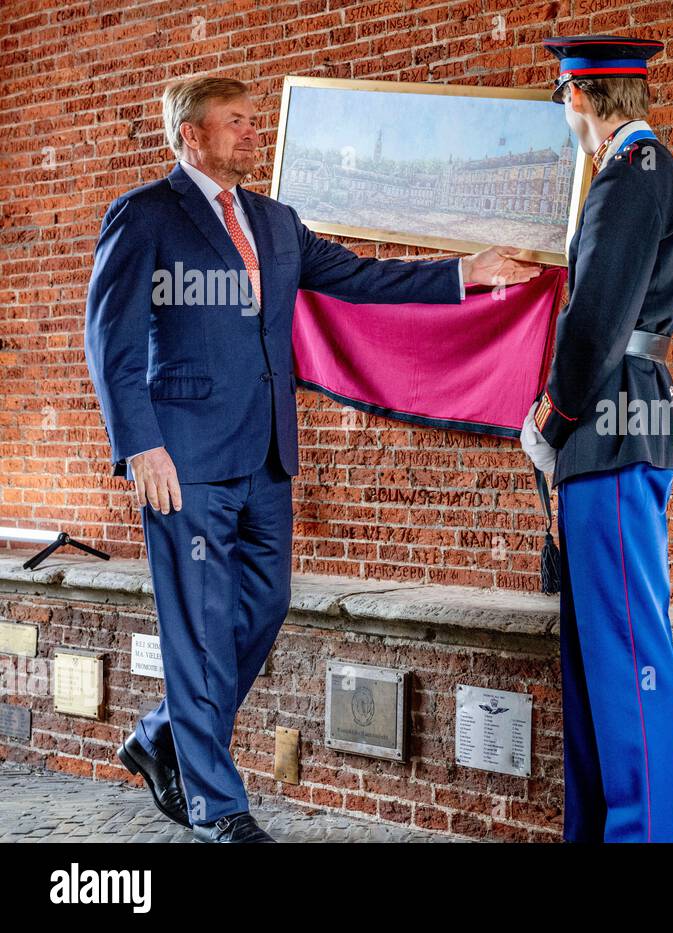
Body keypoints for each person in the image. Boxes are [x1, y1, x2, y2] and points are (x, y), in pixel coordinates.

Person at [84, 74, 539, 843]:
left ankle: (163, 733)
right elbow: (110, 337)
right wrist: (139, 444)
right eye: (236, 123)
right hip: (183, 459)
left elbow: (363, 279)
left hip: (266, 458)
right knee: (199, 628)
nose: (252, 135)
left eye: (256, 123)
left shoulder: (275, 220)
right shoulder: (147, 215)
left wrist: (467, 273)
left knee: (259, 610)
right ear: (190, 134)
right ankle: (217, 806)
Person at [520, 35, 673, 842]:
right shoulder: (649, 172)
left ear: (583, 99)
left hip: (610, 421)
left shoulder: (629, 176)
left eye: (565, 98)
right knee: (604, 661)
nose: (567, 113)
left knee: (629, 664)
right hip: (630, 417)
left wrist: (550, 418)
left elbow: (594, 324)